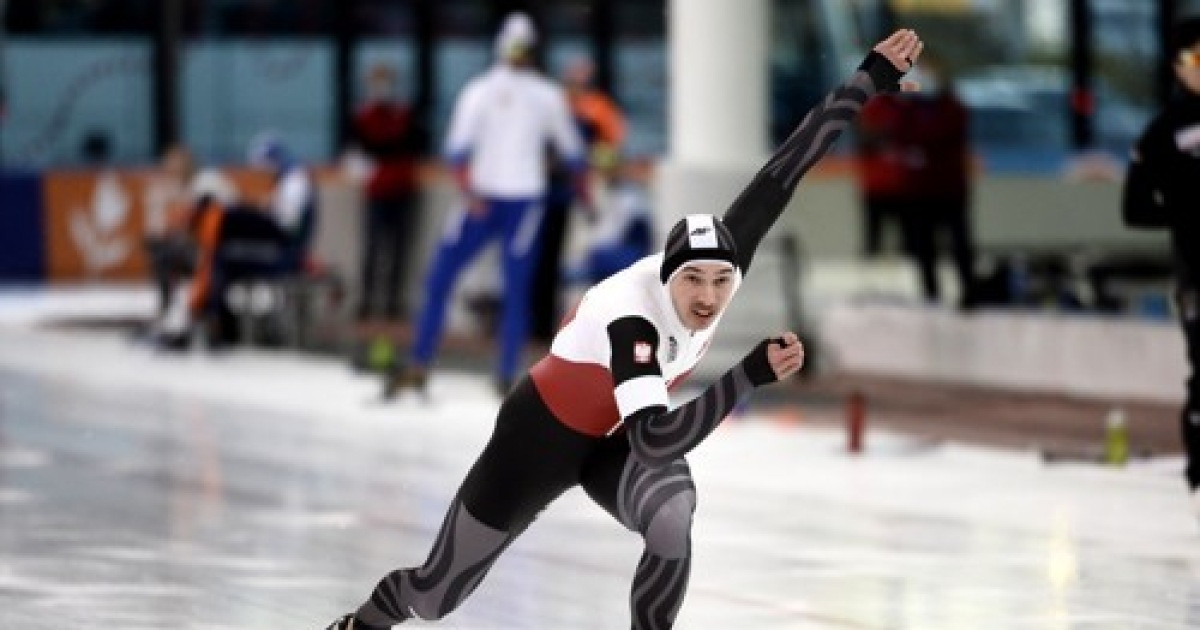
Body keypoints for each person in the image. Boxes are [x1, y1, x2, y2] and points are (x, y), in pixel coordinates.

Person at [324, 29, 922, 630]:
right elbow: (656, 440)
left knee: (671, 517)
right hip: (542, 438)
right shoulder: (630, 316)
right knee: (434, 598)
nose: (710, 297)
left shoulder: (723, 264)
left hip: (618, 441)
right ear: (667, 279)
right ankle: (362, 624)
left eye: (721, 280)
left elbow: (788, 166)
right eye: (694, 283)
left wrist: (866, 80)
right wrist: (747, 375)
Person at [385, 12, 586, 397]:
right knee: (505, 287)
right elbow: (573, 155)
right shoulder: (539, 95)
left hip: (494, 199)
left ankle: (431, 361)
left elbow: (458, 154)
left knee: (458, 280)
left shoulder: (489, 91)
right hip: (509, 199)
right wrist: (582, 190)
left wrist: (470, 191)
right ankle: (487, 367)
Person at [1122, 16, 1200, 518]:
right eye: (1196, 59)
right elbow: (1134, 209)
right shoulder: (1162, 132)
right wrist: (1187, 208)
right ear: (1177, 66)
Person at [856, 52, 977, 308]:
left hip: (949, 188)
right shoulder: (904, 109)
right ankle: (931, 294)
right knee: (924, 246)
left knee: (959, 243)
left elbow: (936, 136)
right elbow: (884, 133)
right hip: (917, 190)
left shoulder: (951, 107)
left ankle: (969, 291)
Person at [531, 55, 627, 341]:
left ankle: (579, 328)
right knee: (545, 264)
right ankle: (543, 325)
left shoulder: (599, 110)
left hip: (584, 199)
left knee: (580, 264)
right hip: (551, 198)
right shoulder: (555, 110)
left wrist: (589, 174)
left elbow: (610, 152)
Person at [349, 62, 424, 322]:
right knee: (373, 248)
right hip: (377, 193)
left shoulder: (403, 114)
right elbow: (365, 149)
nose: (382, 89)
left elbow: (412, 144)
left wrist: (387, 149)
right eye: (377, 82)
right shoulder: (364, 116)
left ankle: (393, 302)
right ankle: (368, 300)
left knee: (399, 251)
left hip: (403, 190)